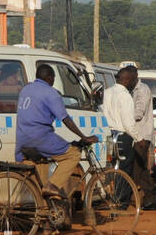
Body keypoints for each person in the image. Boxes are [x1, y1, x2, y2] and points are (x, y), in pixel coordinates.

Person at [14, 63, 98, 200]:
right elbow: (65, 119)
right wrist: (84, 137)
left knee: (39, 182)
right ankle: (53, 185)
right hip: (40, 138)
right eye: (53, 78)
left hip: (22, 140)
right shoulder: (51, 93)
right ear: (50, 78)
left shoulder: (26, 89)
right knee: (73, 154)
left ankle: (43, 213)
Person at [125, 65, 156, 211]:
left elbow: (138, 112)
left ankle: (126, 199)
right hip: (136, 135)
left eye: (128, 78)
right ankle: (151, 200)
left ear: (134, 76)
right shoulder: (132, 91)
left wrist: (124, 120)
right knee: (141, 169)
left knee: (137, 169)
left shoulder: (143, 90)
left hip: (142, 135)